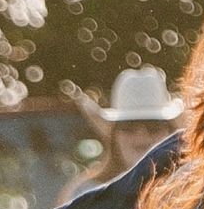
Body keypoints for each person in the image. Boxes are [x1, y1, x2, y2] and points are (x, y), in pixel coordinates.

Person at [64, 67, 182, 200]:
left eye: (153, 126)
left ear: (170, 133)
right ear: (114, 135)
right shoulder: (85, 195)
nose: (141, 135)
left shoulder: (187, 193)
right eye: (129, 126)